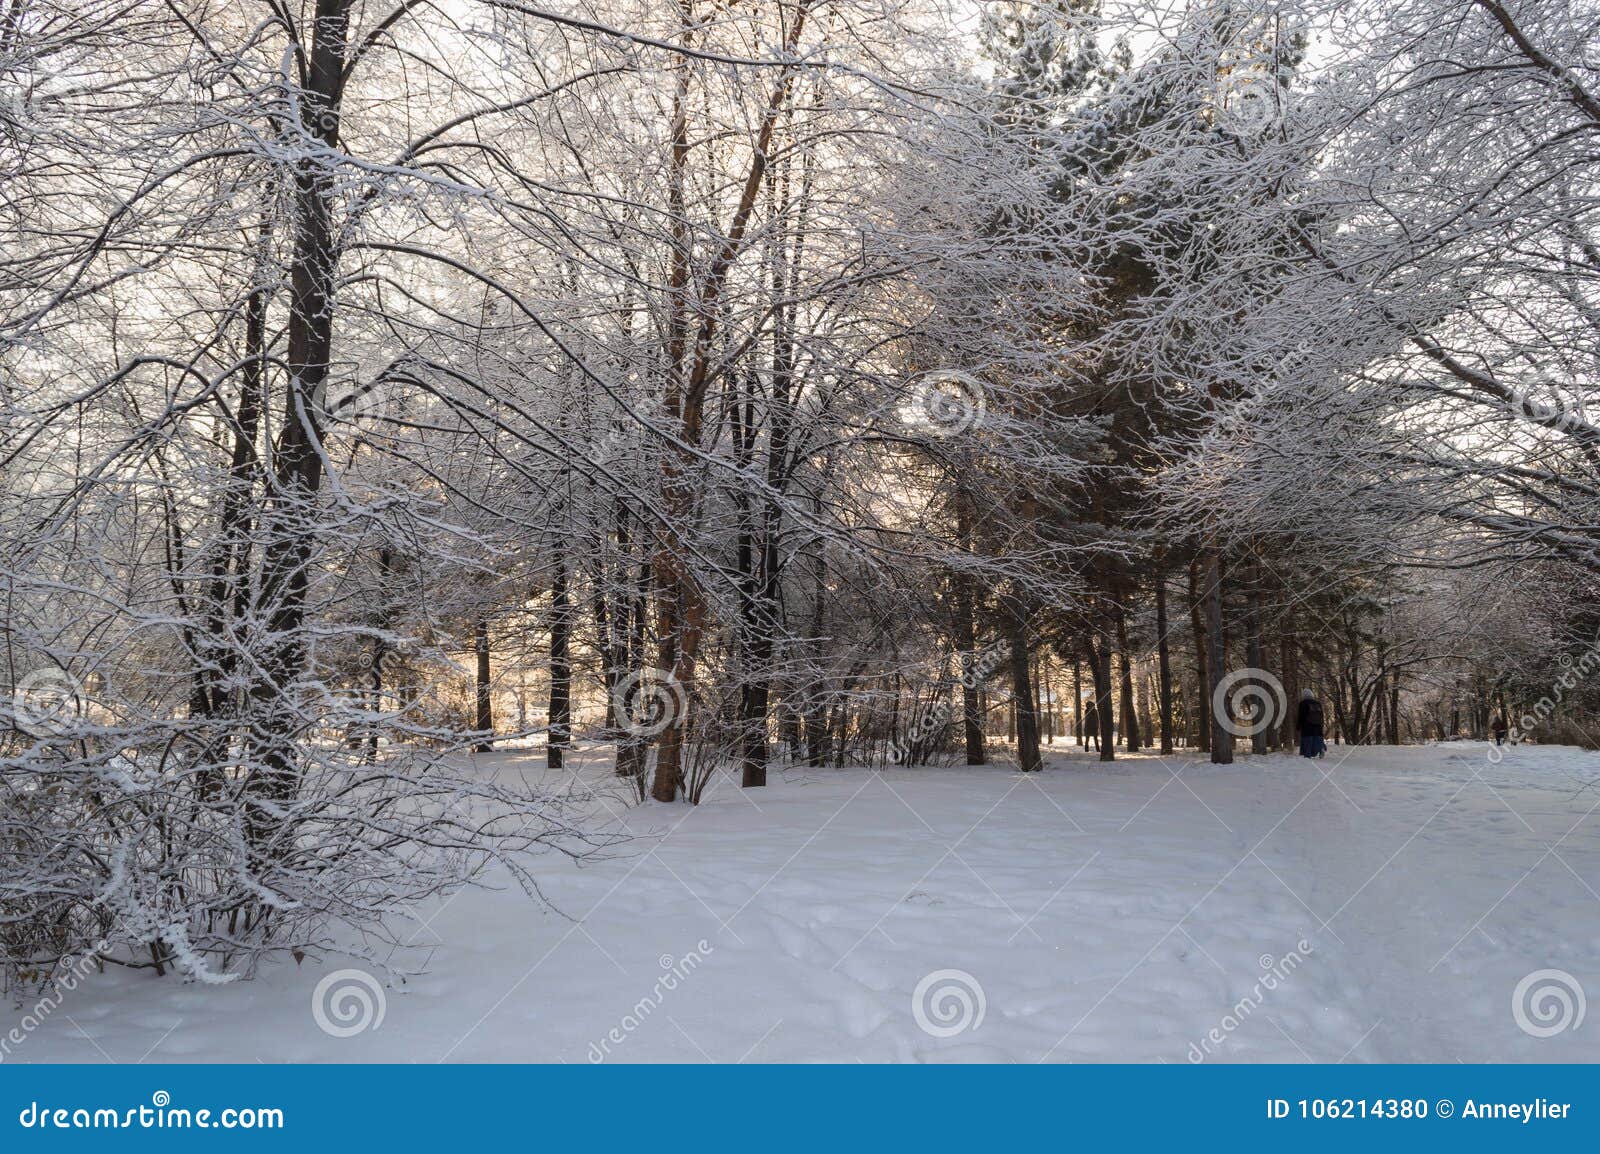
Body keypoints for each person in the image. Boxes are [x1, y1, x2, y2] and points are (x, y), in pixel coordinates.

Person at [1296, 689, 1327, 759]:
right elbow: (1322, 716)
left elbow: (1301, 716)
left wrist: (1298, 726)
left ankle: (1307, 757)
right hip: (1318, 726)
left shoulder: (1303, 703)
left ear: (1303, 695)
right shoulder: (1318, 703)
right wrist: (1321, 725)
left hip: (1307, 726)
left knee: (1307, 741)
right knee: (1317, 740)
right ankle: (1321, 748)